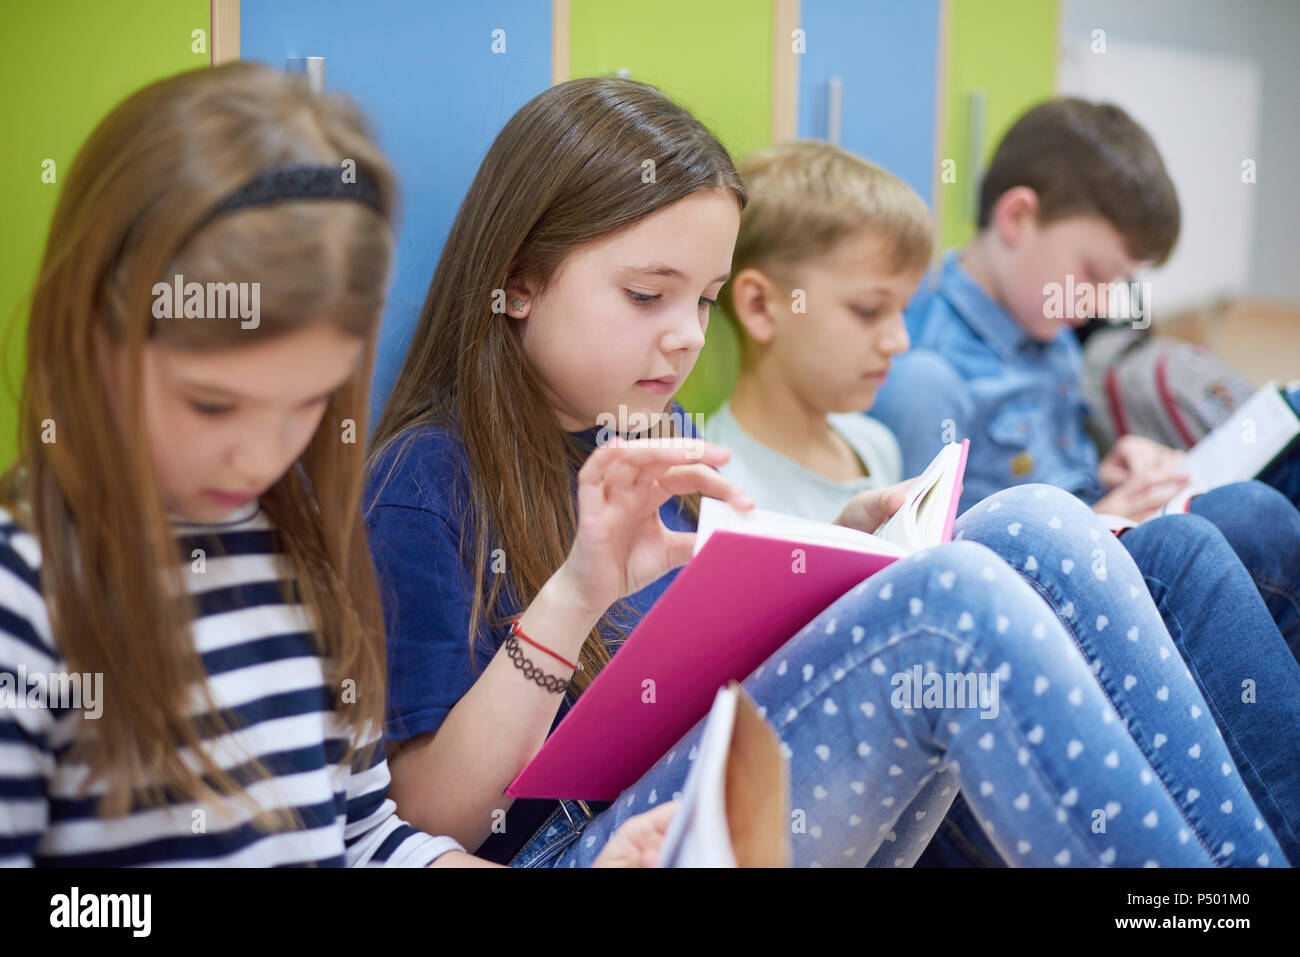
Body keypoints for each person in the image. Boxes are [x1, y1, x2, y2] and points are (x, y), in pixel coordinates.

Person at [364, 76, 1285, 868]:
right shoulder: (427, 477)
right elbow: (435, 819)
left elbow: (695, 658)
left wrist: (835, 556)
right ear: (517, 280)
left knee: (1035, 521)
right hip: (579, 841)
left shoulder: (660, 431)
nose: (686, 333)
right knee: (954, 600)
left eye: (705, 299)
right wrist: (573, 595)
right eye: (647, 295)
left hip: (704, 763)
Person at [0, 62, 671, 868]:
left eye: (307, 403)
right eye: (213, 404)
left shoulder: (305, 563)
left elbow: (366, 838)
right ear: (95, 336)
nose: (261, 453)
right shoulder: (26, 594)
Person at [702, 139, 1300, 865]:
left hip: (968, 716)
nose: (896, 341)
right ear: (762, 305)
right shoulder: (723, 488)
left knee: (1236, 517)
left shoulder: (874, 446)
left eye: (901, 309)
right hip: (896, 765)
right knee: (1217, 535)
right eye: (869, 311)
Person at [869, 98, 1300, 657]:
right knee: (1253, 519)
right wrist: (1094, 521)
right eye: (1094, 274)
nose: (1099, 302)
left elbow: (1052, 469)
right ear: (1017, 217)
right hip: (1051, 594)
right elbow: (930, 574)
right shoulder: (924, 369)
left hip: (1105, 536)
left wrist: (1113, 469)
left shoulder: (1052, 334)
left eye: (1115, 283)